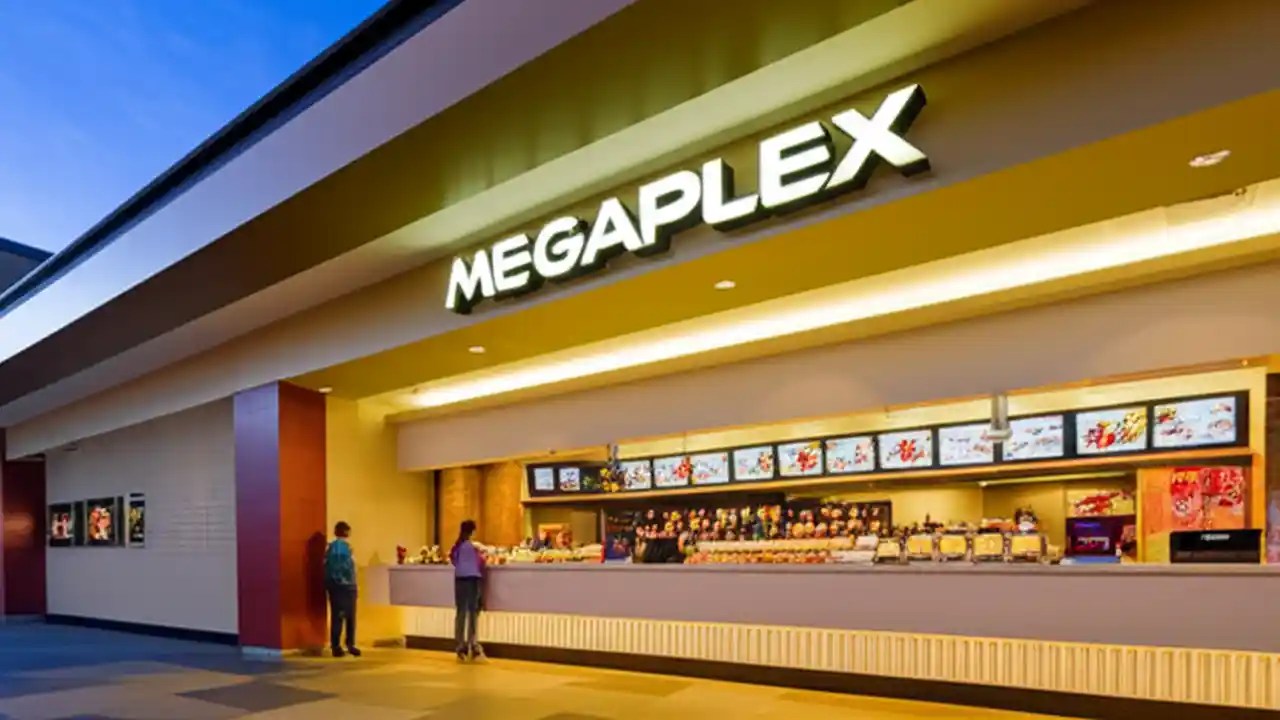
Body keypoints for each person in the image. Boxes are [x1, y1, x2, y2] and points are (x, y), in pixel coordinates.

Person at [449, 519, 485, 660]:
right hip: (472, 580)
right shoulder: (474, 547)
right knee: (473, 613)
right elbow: (480, 563)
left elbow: (453, 560)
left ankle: (460, 646)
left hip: (459, 579)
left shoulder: (457, 546)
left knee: (461, 613)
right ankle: (473, 645)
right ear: (473, 531)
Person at [324, 521, 360, 658]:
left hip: (342, 586)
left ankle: (343, 644)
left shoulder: (334, 547)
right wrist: (344, 582)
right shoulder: (340, 548)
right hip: (343, 587)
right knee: (343, 616)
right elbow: (341, 568)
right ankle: (342, 645)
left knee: (342, 616)